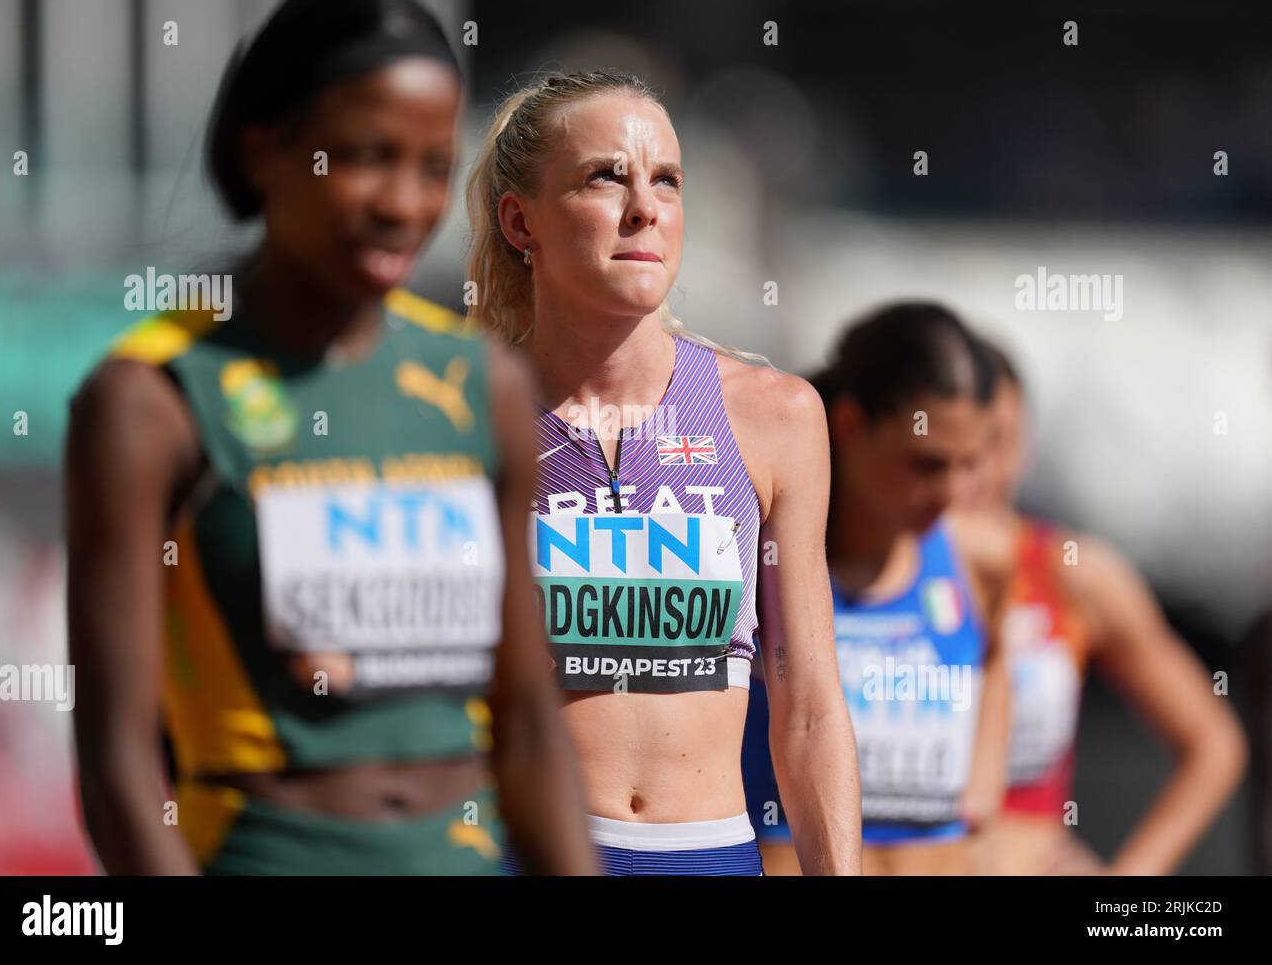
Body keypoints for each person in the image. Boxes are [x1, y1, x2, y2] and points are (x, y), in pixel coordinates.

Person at [66, 0, 594, 875]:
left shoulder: (484, 384)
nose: (403, 203)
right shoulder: (149, 399)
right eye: (364, 156)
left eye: (433, 166)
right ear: (265, 150)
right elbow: (117, 766)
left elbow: (531, 725)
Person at [466, 70, 861, 875]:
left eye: (668, 181)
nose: (644, 207)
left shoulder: (776, 416)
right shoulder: (460, 414)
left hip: (705, 854)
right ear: (520, 222)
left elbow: (810, 706)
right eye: (605, 176)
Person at [742, 301, 1012, 875]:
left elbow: (995, 656)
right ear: (848, 426)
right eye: (926, 465)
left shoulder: (977, 558)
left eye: (970, 464)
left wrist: (983, 781)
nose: (953, 491)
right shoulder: (757, 554)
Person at [966, 338, 1247, 874]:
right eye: (951, 442)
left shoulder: (1068, 572)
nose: (973, 467)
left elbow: (1213, 743)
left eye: (995, 440)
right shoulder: (856, 571)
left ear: (1025, 442)